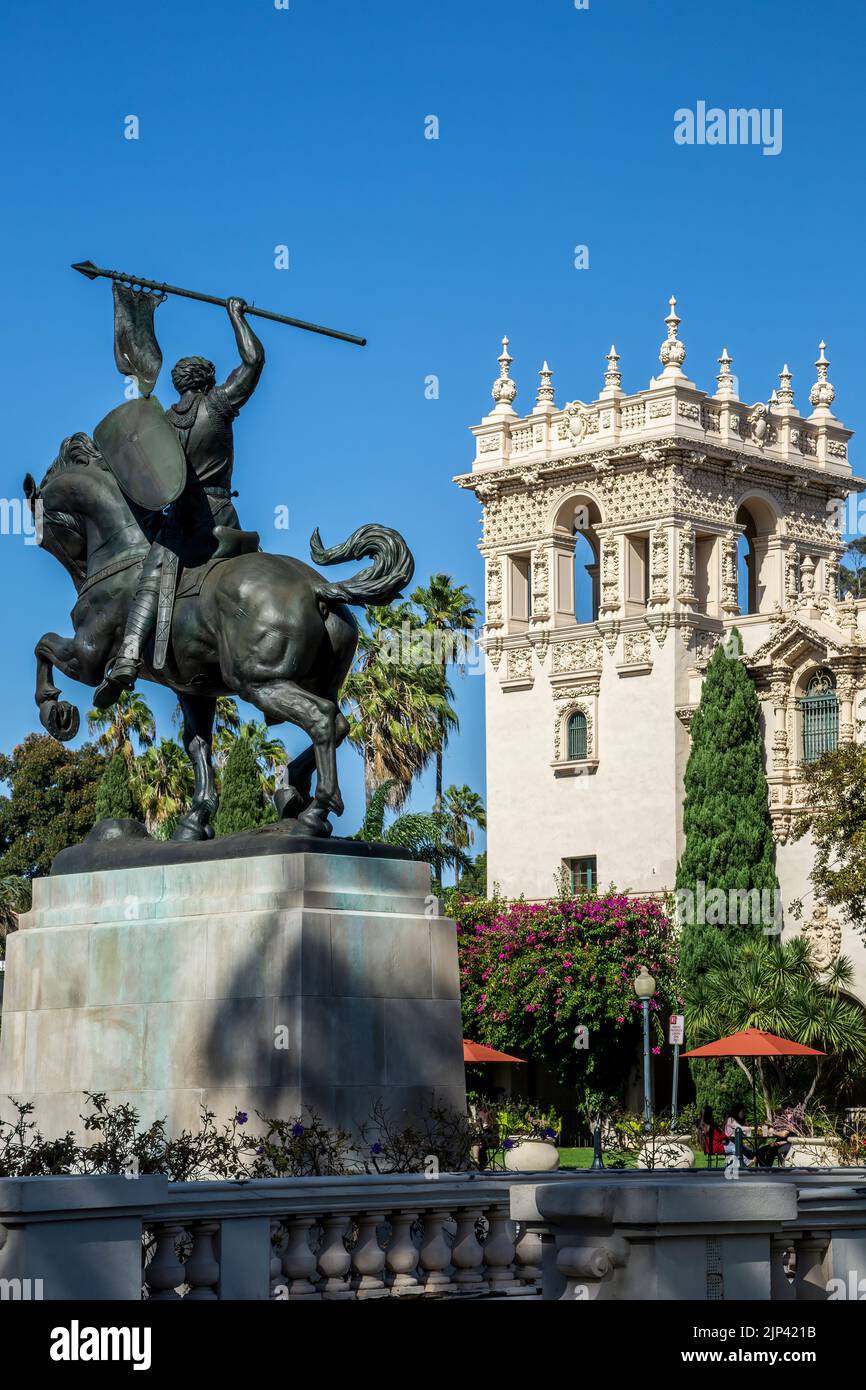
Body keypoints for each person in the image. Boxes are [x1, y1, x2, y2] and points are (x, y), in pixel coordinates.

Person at [93, 297, 264, 708]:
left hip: (183, 523)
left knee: (154, 568)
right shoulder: (221, 406)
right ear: (207, 380)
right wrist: (235, 315)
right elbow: (254, 361)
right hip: (224, 515)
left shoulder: (163, 425)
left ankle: (128, 658)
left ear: (179, 383)